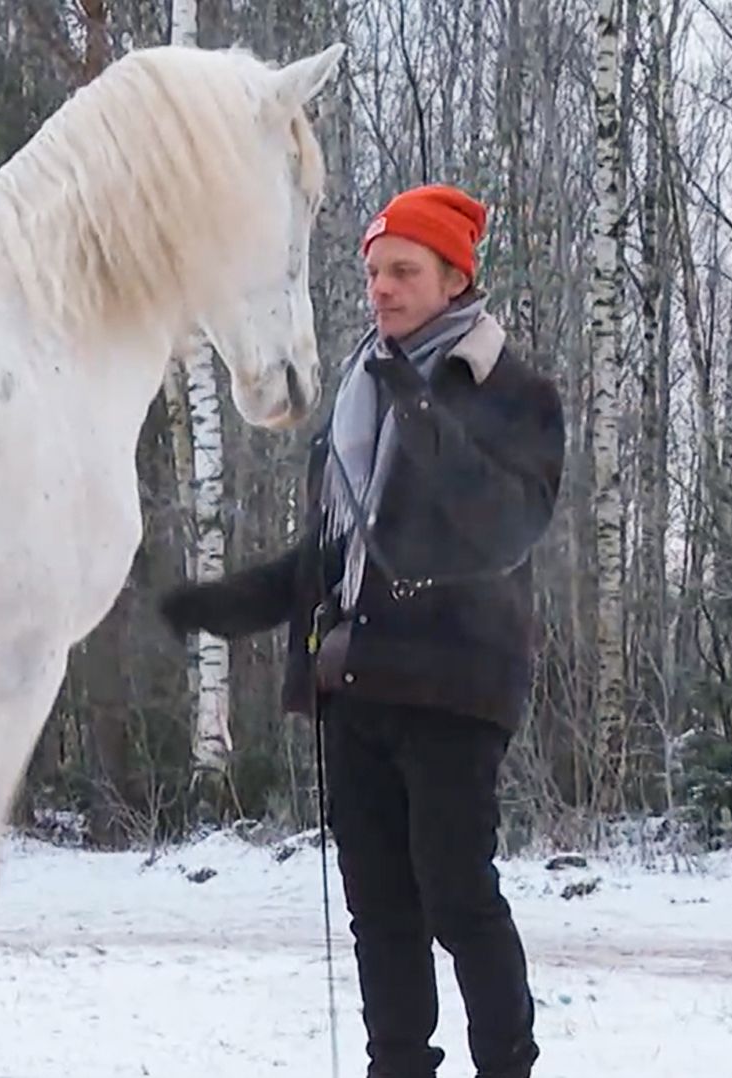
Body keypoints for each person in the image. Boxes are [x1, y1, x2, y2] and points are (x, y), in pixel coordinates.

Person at [159, 183, 565, 1078]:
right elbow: (329, 556)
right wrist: (219, 606)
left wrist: (422, 415)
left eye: (403, 270)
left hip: (458, 685)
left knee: (457, 898)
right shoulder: (358, 396)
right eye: (374, 271)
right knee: (380, 910)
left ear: (457, 277)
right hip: (357, 684)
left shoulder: (512, 390)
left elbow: (509, 525)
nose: (381, 288)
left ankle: (507, 1064)